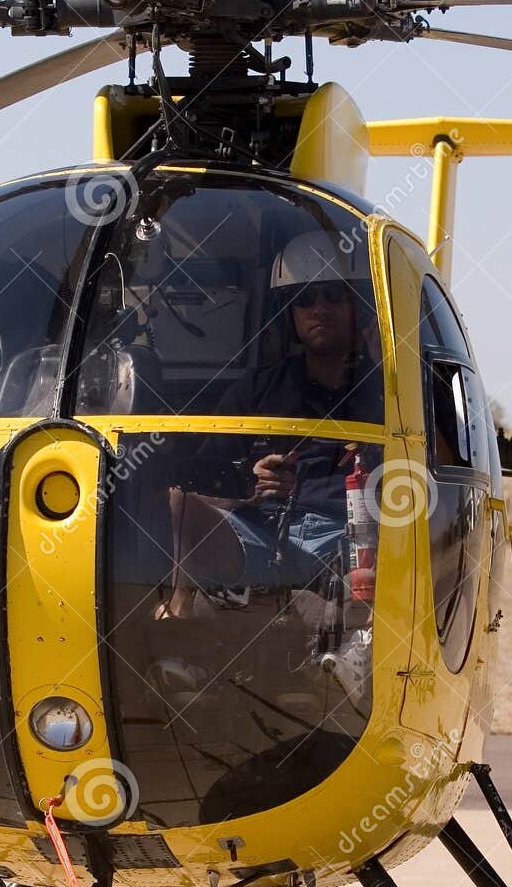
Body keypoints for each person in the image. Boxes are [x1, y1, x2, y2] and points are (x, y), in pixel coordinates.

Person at [156, 233, 383, 617]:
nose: (319, 309)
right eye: (306, 299)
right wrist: (248, 485)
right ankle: (176, 622)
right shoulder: (256, 390)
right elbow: (198, 483)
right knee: (177, 502)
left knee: (360, 601)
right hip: (257, 538)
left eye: (332, 295)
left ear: (357, 307)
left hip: (350, 545)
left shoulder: (386, 394)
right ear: (290, 314)